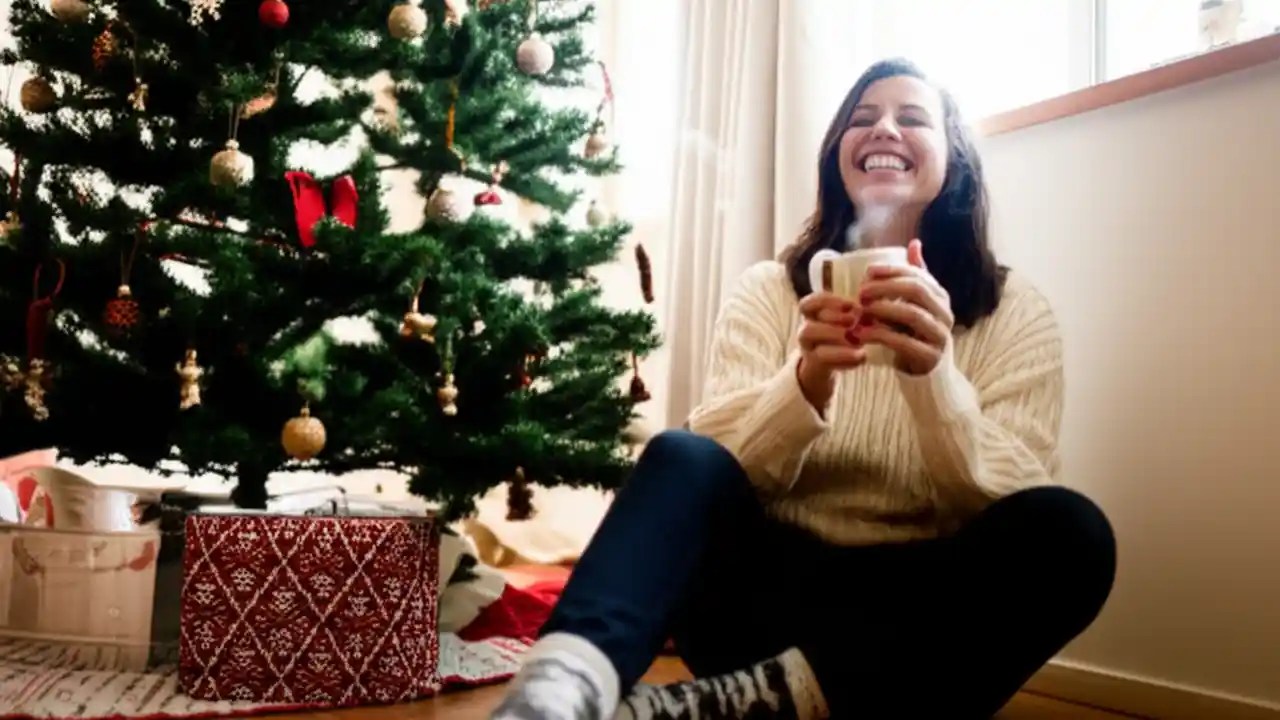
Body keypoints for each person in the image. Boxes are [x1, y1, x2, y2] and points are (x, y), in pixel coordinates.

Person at [489, 58, 1116, 720]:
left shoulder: (1015, 311)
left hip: (914, 615)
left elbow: (1007, 500)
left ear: (953, 162)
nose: (884, 130)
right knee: (682, 453)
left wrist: (934, 379)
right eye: (862, 119)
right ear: (837, 156)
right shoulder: (768, 290)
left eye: (912, 118)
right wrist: (806, 382)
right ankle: (557, 694)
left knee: (1073, 531)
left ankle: (746, 706)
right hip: (764, 597)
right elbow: (715, 474)